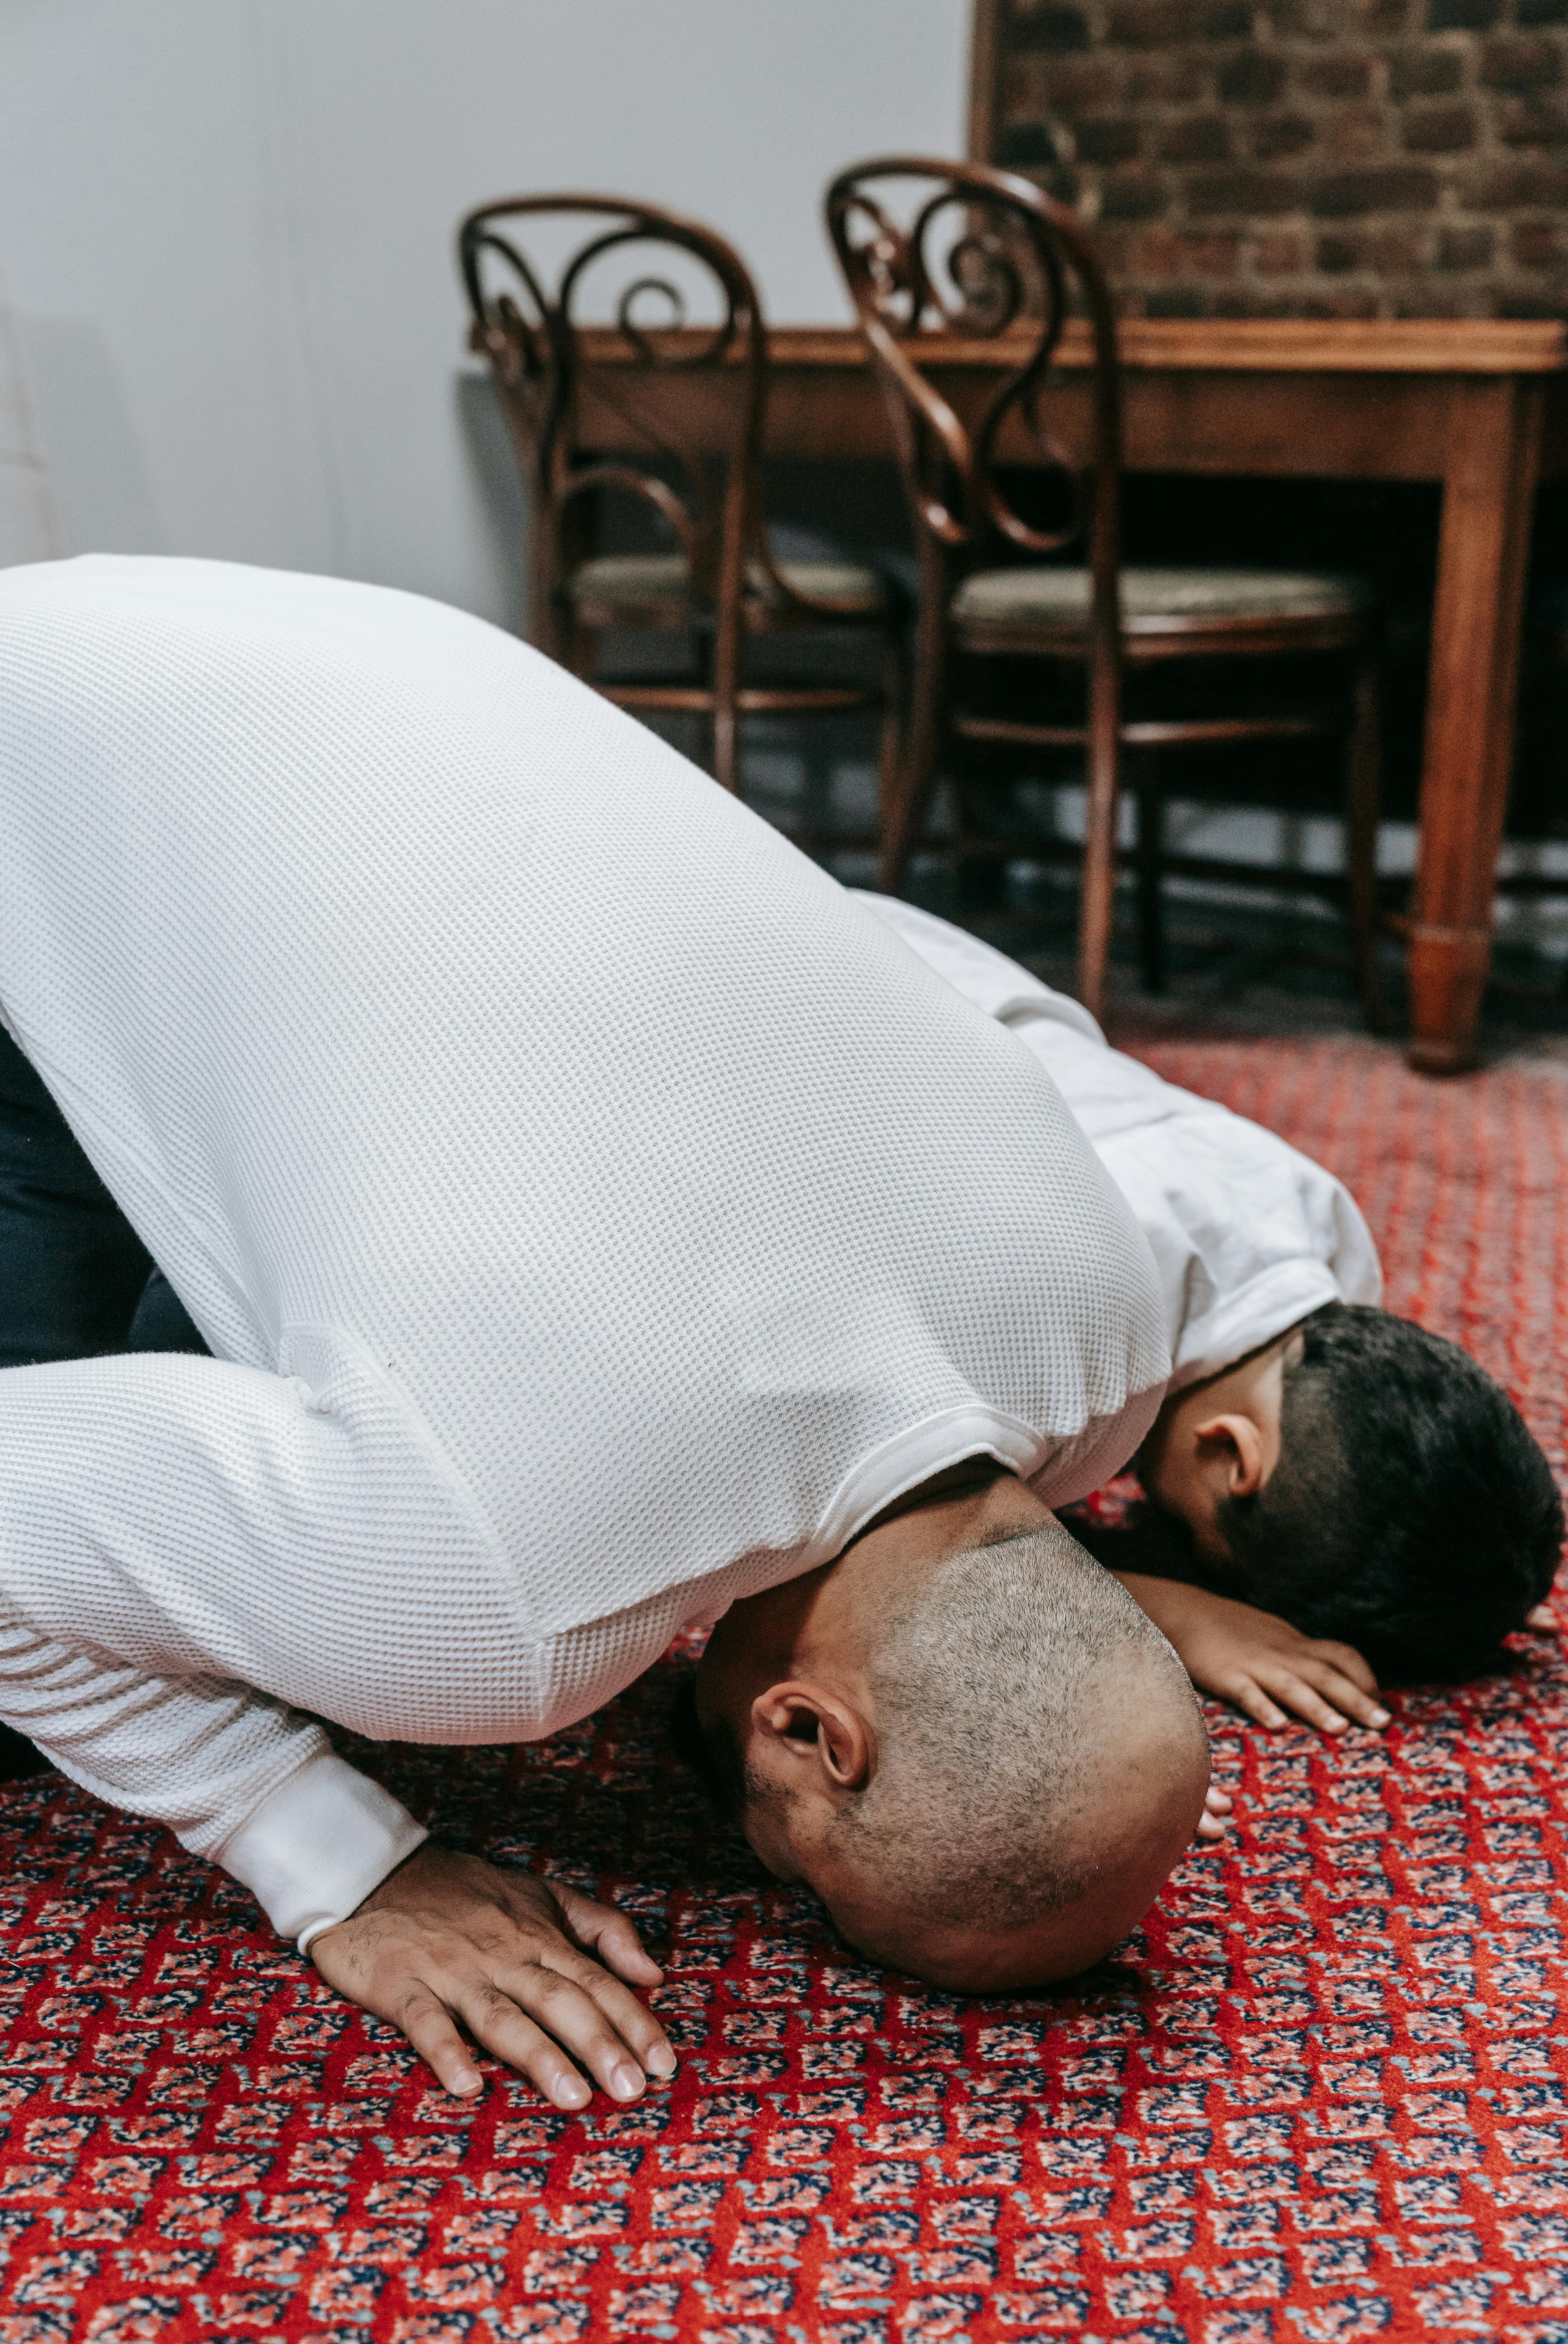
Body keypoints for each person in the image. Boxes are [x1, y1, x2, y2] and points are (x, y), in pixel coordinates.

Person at [0, 555, 1209, 2110]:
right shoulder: (497, 1617)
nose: (768, 1877)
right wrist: (333, 1858)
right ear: (809, 1734)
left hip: (344, 655)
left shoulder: (1109, 1333)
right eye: (810, 1885)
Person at [857, 896, 1564, 1737]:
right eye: (1191, 1539)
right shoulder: (1050, 1339)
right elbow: (886, 1548)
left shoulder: (1321, 1230)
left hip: (908, 944)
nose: (1164, 1533)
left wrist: (1473, 1568)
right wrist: (1168, 1607)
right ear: (1231, 1454)